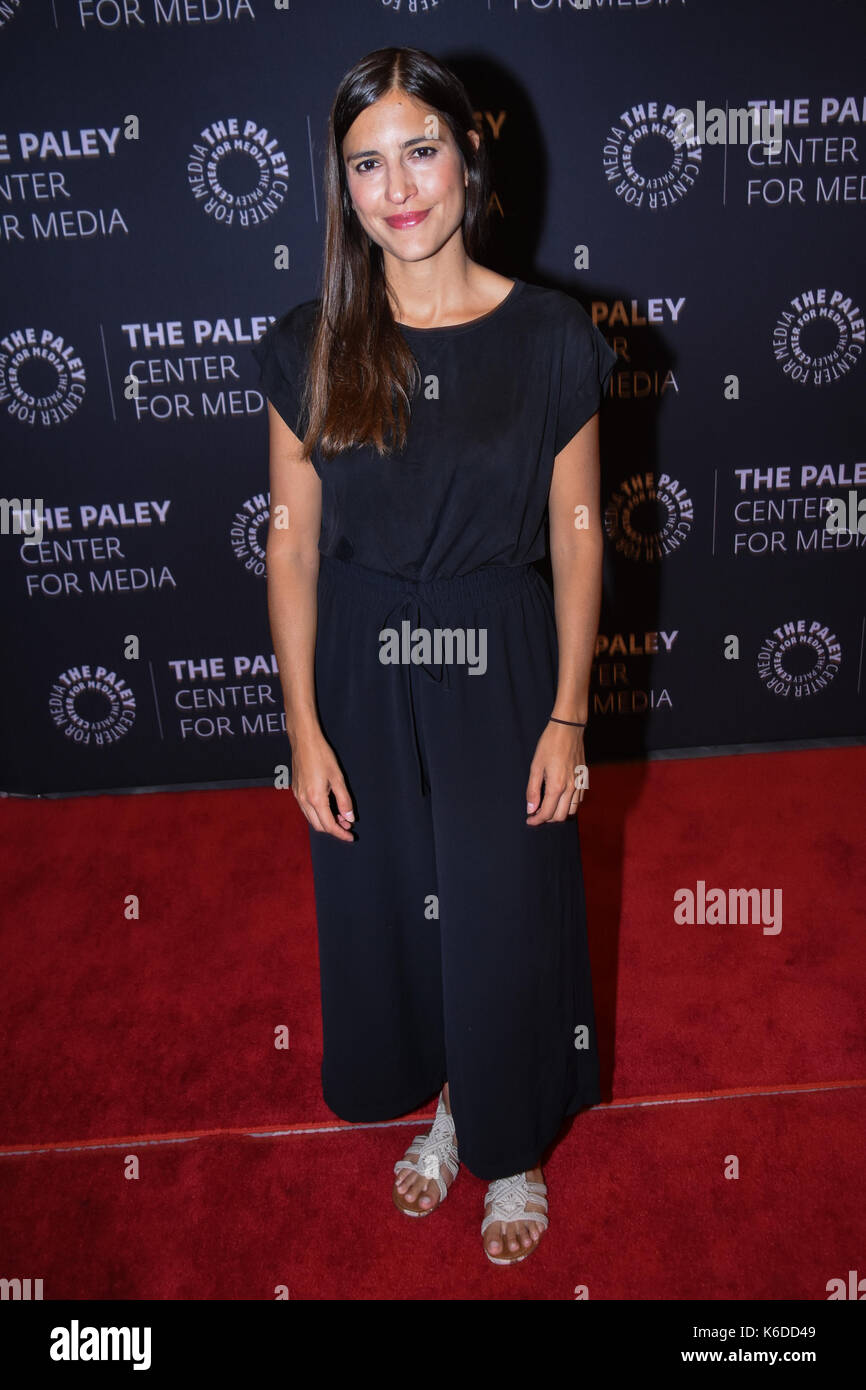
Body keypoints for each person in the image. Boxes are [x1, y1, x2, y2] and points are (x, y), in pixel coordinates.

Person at [252, 45, 617, 1266]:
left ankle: (506, 1136)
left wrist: (568, 714)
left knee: (502, 911)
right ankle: (451, 1097)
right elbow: (292, 548)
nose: (396, 187)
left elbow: (576, 541)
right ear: (340, 185)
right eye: (366, 163)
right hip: (360, 662)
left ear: (468, 155)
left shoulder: (553, 336)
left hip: (499, 658)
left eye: (419, 150)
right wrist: (302, 726)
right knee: (396, 911)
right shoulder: (311, 341)